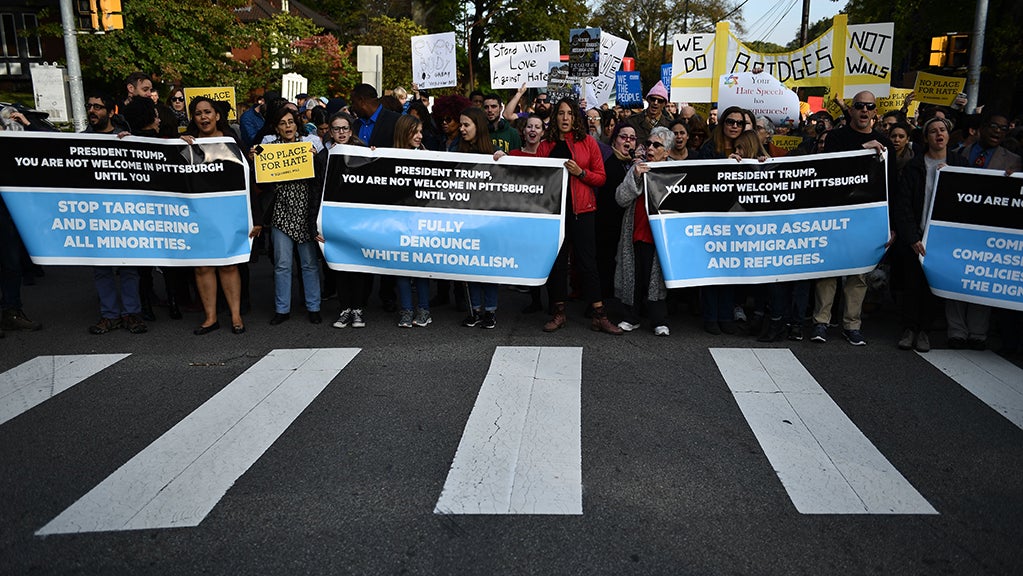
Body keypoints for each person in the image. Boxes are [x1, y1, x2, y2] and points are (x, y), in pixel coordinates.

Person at [812, 90, 894, 346]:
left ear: (874, 111)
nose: (864, 111)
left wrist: (890, 225)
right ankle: (820, 322)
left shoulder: (885, 142)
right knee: (829, 271)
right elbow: (830, 170)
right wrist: (861, 149)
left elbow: (891, 186)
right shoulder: (836, 138)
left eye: (870, 106)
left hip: (866, 219)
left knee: (859, 274)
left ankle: (852, 324)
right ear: (852, 109)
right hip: (836, 213)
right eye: (860, 106)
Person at [538, 97, 621, 335]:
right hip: (556, 212)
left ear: (576, 117)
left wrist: (581, 172)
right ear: (555, 117)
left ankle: (599, 314)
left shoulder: (587, 143)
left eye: (569, 113)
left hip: (583, 210)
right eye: (561, 113)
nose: (565, 118)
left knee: (588, 262)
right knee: (557, 264)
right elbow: (533, 172)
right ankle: (559, 312)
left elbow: (601, 177)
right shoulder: (546, 145)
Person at [948, 110, 1022, 349]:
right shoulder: (959, 154)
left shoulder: (1014, 161)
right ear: (980, 128)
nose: (998, 132)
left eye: (1004, 128)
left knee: (981, 276)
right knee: (955, 275)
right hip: (959, 226)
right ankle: (957, 330)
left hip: (991, 231)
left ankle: (978, 333)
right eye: (994, 126)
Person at [894, 117, 968, 352]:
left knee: (932, 287)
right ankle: (909, 329)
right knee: (912, 285)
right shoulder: (915, 166)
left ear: (948, 135)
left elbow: (975, 192)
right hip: (917, 236)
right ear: (926, 138)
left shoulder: (960, 164)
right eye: (934, 131)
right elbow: (903, 205)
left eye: (943, 130)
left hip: (943, 239)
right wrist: (912, 237)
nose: (939, 134)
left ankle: (924, 330)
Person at [181, 97, 249, 335]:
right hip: (198, 215)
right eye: (198, 113)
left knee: (229, 265)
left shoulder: (231, 143)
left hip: (229, 214)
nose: (203, 117)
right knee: (202, 267)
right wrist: (176, 145)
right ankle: (210, 317)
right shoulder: (186, 144)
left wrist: (256, 218)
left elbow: (248, 180)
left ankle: (235, 315)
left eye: (207, 112)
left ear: (217, 115)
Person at [254, 108, 324, 325]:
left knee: (309, 264)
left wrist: (316, 159)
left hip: (306, 212)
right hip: (280, 212)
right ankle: (282, 309)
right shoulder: (268, 149)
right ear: (276, 127)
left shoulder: (308, 147)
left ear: (297, 124)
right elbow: (260, 182)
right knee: (282, 264)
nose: (287, 126)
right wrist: (254, 160)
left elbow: (321, 176)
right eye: (282, 123)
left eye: (291, 122)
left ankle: (314, 307)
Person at [615, 126, 673, 336]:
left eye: (656, 145)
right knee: (634, 277)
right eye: (648, 143)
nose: (650, 148)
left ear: (666, 152)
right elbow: (620, 199)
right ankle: (630, 317)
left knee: (656, 280)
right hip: (636, 233)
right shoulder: (637, 168)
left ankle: (659, 320)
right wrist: (636, 178)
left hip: (659, 237)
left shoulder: (675, 169)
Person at [696, 106, 748, 335]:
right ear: (722, 123)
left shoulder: (749, 146)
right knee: (712, 268)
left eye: (739, 123)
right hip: (713, 217)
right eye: (730, 122)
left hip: (738, 218)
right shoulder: (709, 148)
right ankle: (710, 316)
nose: (735, 126)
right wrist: (723, 164)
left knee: (730, 268)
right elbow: (700, 177)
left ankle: (726, 316)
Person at [320, 112, 371, 329]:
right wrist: (318, 222)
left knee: (358, 265)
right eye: (336, 128)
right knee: (339, 265)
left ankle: (358, 308)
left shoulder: (363, 152)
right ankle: (345, 308)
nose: (341, 132)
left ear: (351, 131)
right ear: (329, 131)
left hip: (357, 219)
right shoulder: (322, 157)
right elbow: (317, 191)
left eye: (345, 128)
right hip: (333, 219)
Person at [456, 107, 500, 329]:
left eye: (466, 125)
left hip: (487, 219)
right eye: (460, 125)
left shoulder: (492, 154)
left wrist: (504, 161)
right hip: (465, 218)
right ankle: (474, 311)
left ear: (478, 127)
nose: (461, 129)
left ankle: (490, 311)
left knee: (487, 266)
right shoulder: (455, 150)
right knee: (470, 265)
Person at [392, 115, 434, 328]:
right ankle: (407, 310)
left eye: (421, 132)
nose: (419, 136)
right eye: (414, 132)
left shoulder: (426, 155)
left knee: (420, 266)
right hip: (399, 220)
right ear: (403, 133)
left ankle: (424, 309)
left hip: (421, 220)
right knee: (401, 267)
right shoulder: (388, 155)